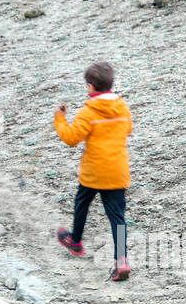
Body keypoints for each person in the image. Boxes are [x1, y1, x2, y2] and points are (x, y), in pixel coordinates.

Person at [54, 62, 133, 282]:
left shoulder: (88, 111)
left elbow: (71, 138)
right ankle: (121, 261)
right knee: (117, 218)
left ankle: (76, 241)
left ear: (90, 87)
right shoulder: (122, 107)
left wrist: (60, 118)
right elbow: (128, 128)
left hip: (93, 172)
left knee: (82, 204)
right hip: (117, 171)